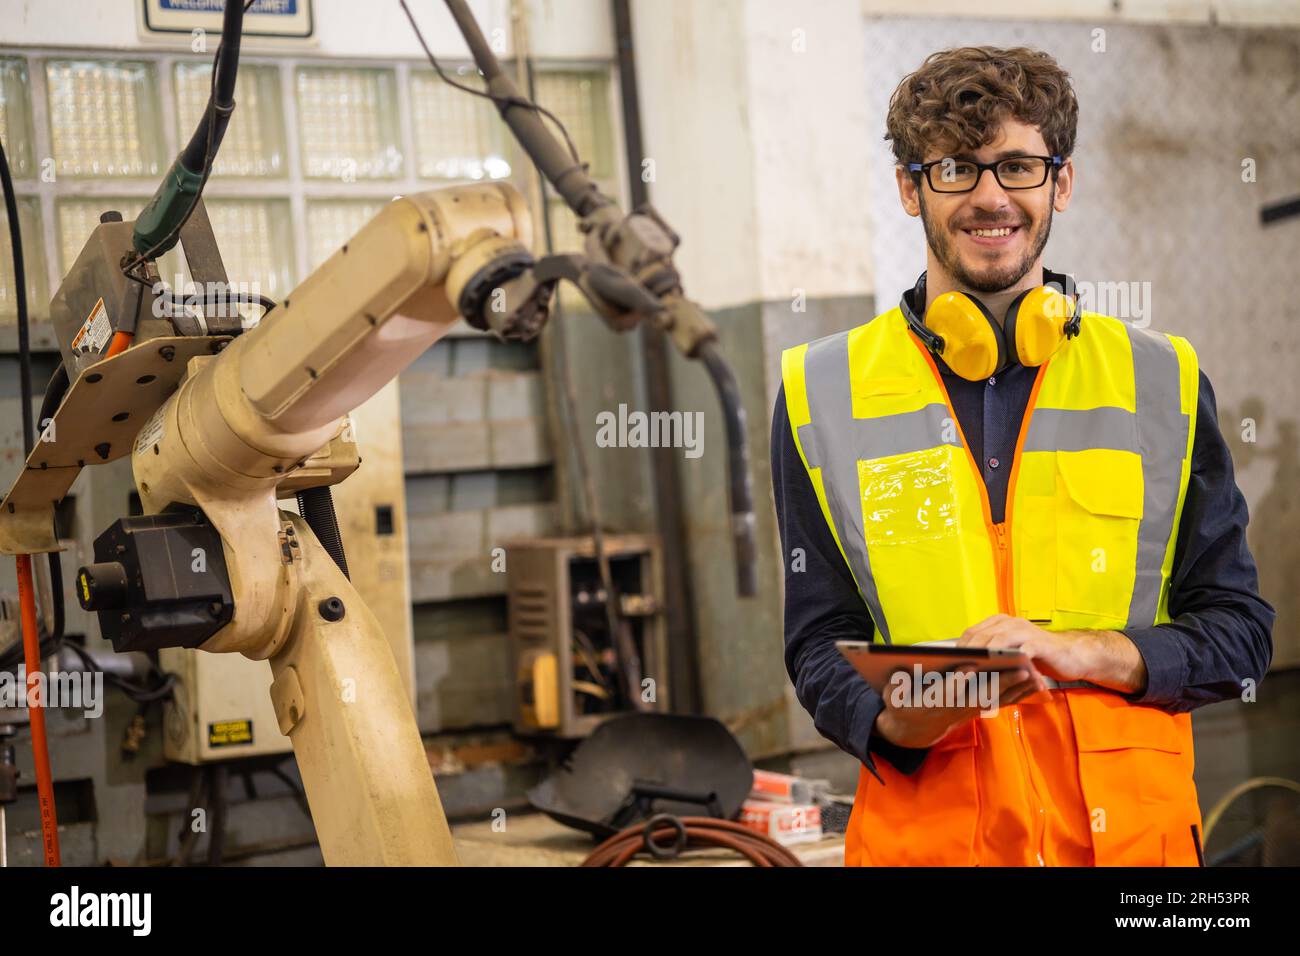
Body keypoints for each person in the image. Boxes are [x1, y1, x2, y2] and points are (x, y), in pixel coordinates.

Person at [771, 46, 1273, 866]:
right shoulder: (821, 390)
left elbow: (1241, 635)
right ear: (909, 188)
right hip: (930, 850)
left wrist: (1090, 651)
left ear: (1061, 184)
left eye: (1017, 166)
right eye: (956, 169)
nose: (990, 197)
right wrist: (897, 718)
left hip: (1129, 856)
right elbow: (817, 639)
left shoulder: (1164, 380)